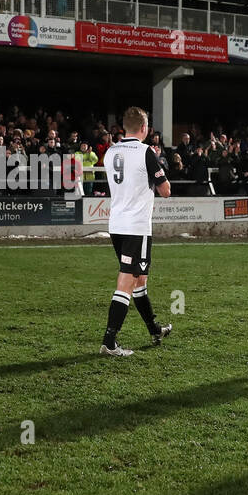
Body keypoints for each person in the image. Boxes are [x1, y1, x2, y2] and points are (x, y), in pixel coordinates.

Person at [99, 106, 173, 356]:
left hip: (117, 224)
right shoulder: (146, 152)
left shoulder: (110, 152)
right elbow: (166, 191)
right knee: (127, 281)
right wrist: (158, 167)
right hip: (136, 226)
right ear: (144, 128)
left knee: (139, 279)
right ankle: (109, 342)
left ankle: (154, 329)